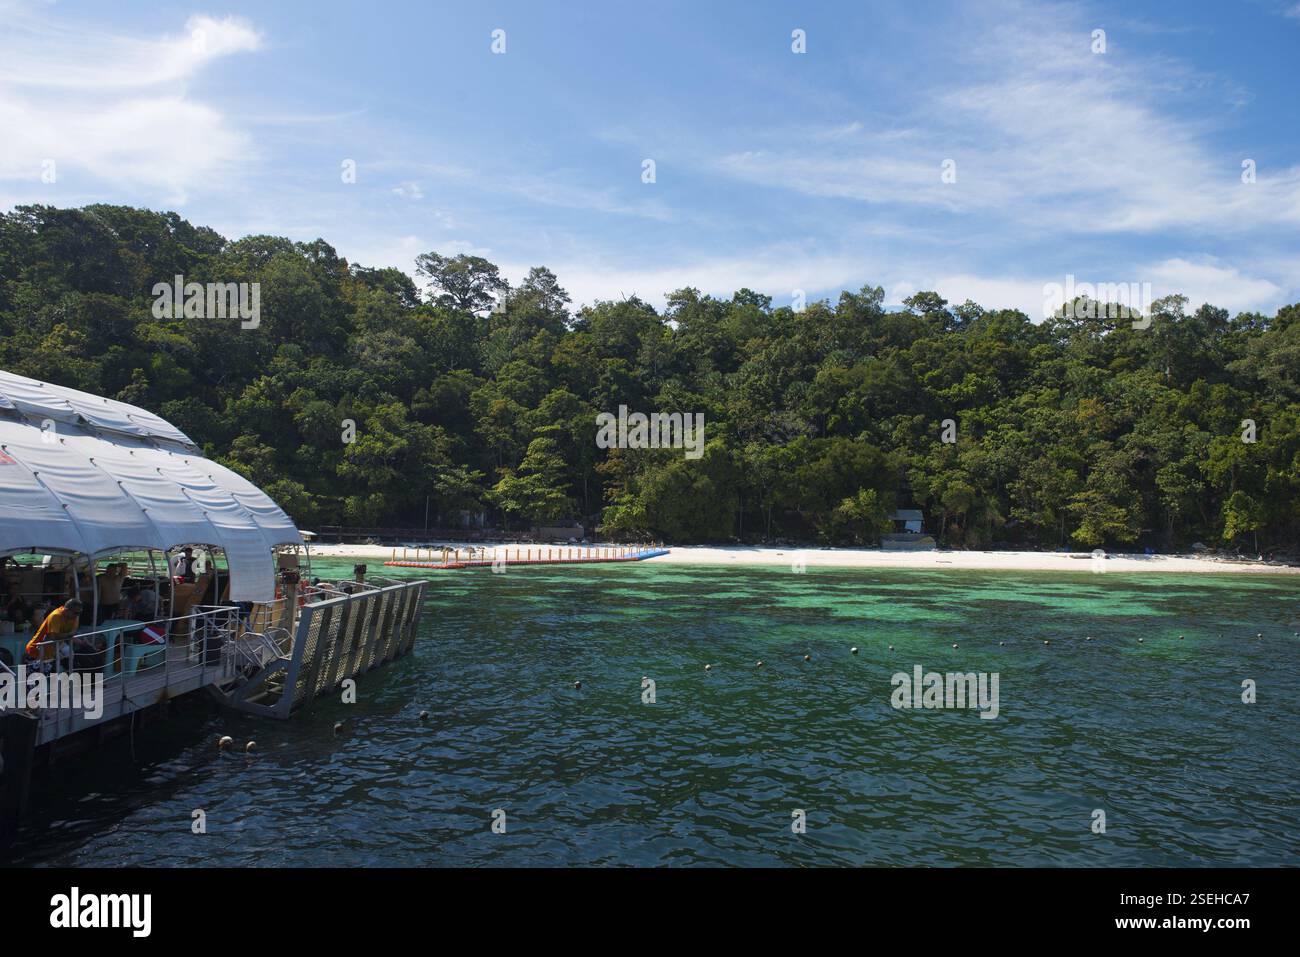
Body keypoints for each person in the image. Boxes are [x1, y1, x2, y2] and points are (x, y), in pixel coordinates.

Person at [25, 598, 83, 665]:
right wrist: (69, 634)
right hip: (36, 650)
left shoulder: (74, 617)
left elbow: (72, 633)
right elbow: (54, 636)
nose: (78, 615)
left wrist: (83, 642)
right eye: (76, 613)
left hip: (52, 649)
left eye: (80, 613)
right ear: (67, 610)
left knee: (69, 655)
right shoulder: (55, 616)